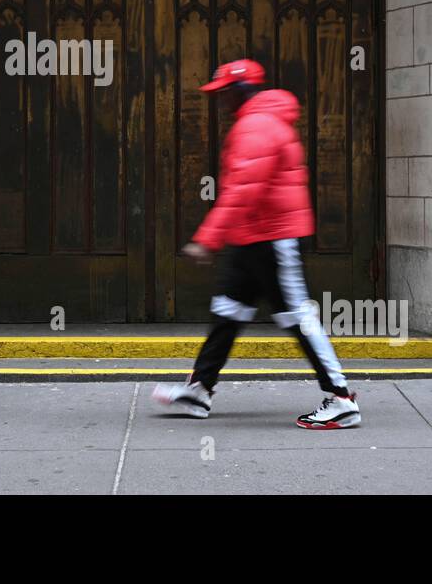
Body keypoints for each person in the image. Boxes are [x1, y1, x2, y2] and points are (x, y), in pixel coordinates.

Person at [152, 59, 361, 429]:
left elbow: (243, 190)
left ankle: (341, 398)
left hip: (271, 238)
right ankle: (199, 388)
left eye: (224, 94)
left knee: (298, 317)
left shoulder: (257, 125)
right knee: (228, 312)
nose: (220, 102)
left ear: (241, 90)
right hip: (252, 238)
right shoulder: (258, 121)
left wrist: (207, 239)